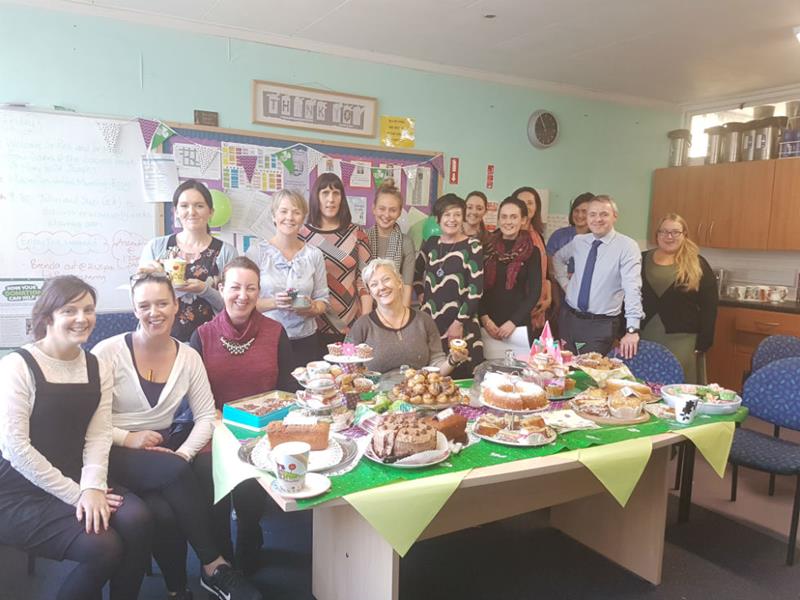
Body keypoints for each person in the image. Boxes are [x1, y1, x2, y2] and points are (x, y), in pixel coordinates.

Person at [93, 272, 260, 600]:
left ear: (175, 305)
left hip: (164, 458)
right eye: (144, 305)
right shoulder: (107, 352)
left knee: (165, 513)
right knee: (177, 476)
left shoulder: (188, 356)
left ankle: (177, 589)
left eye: (161, 303)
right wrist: (130, 439)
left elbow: (205, 417)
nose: (154, 312)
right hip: (112, 450)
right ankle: (214, 567)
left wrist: (182, 455)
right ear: (134, 309)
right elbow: (90, 422)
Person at [0, 276, 151, 600]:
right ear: (47, 316)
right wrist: (78, 495)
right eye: (70, 310)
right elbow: (16, 449)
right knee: (103, 545)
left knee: (138, 519)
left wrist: (93, 486)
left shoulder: (97, 366)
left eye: (88, 309)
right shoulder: (16, 366)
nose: (82, 318)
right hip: (17, 491)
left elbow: (97, 436)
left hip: (78, 477)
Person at [190, 257, 296, 575]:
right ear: (221, 289)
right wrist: (215, 417)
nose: (242, 295)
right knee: (209, 470)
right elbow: (192, 395)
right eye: (235, 287)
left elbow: (287, 388)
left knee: (252, 479)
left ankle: (250, 534)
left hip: (262, 429)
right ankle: (221, 554)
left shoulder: (276, 332)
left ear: (259, 291)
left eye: (251, 288)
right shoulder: (202, 336)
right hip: (215, 428)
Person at [139, 179, 238, 341]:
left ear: (211, 212)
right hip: (159, 339)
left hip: (211, 341)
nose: (191, 212)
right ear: (176, 211)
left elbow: (233, 306)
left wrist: (205, 290)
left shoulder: (226, 252)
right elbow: (138, 301)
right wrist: (150, 278)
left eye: (199, 206)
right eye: (184, 206)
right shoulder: (156, 247)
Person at [247, 189, 330, 369]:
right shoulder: (257, 253)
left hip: (305, 340)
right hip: (266, 338)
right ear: (274, 216)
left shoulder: (314, 255)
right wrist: (275, 303)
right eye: (283, 211)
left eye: (296, 212)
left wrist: (312, 308)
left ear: (303, 219)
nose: (289, 217)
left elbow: (323, 300)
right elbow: (245, 302)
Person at [553, 195, 643, 358]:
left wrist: (632, 329)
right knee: (563, 370)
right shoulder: (579, 241)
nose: (597, 219)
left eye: (604, 214)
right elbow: (558, 259)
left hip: (600, 325)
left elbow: (632, 288)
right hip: (569, 319)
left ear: (615, 216)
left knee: (588, 375)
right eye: (592, 214)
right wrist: (565, 284)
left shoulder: (627, 247)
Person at [348, 259, 468, 376]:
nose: (382, 287)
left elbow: (437, 367)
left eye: (386, 279)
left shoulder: (424, 320)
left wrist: (453, 360)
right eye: (374, 284)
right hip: (377, 394)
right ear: (370, 292)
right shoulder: (362, 326)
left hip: (418, 392)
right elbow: (348, 367)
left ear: (399, 282)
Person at [299, 173, 372, 351]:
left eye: (336, 193)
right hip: (311, 323)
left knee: (346, 376)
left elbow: (366, 279)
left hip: (350, 324)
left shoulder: (357, 234)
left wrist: (366, 319)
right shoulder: (302, 235)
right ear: (316, 197)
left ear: (342, 198)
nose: (330, 199)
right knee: (317, 377)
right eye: (324, 193)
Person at [641, 214, 718, 383]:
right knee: (646, 384)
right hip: (646, 335)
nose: (669, 236)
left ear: (685, 235)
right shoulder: (640, 259)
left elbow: (709, 306)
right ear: (657, 235)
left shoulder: (697, 264)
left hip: (683, 339)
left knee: (678, 386)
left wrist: (704, 341)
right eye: (664, 232)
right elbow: (627, 296)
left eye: (676, 232)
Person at [414, 193, 484, 378]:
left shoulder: (473, 246)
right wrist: (422, 295)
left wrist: (458, 323)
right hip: (432, 324)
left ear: (462, 218)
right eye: (446, 214)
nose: (451, 219)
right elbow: (415, 274)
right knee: (434, 379)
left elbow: (476, 290)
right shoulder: (430, 244)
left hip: (462, 323)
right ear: (438, 219)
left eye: (456, 214)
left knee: (464, 378)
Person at [479, 197, 542, 352]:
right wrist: (485, 319)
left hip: (517, 326)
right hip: (487, 324)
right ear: (499, 219)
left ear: (523, 220)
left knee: (517, 372)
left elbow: (534, 293)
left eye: (514, 217)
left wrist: (513, 322)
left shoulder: (532, 252)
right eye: (504, 216)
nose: (508, 222)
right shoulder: (485, 248)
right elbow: (475, 286)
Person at [364, 178, 415, 306]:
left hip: (396, 308)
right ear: (373, 208)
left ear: (399, 212)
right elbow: (360, 282)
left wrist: (403, 320)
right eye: (382, 208)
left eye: (392, 210)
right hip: (366, 307)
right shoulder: (363, 238)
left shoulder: (406, 243)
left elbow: (407, 285)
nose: (386, 215)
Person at [511, 186, 551, 335]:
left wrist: (548, 298)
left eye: (530, 203)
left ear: (536, 207)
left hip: (538, 307)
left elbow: (545, 273)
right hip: (514, 307)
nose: (525, 207)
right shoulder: (505, 236)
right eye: (521, 202)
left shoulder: (538, 237)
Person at [546, 192, 594, 274]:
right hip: (560, 284)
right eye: (576, 211)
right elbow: (550, 270)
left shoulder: (598, 239)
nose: (579, 215)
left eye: (584, 211)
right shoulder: (558, 236)